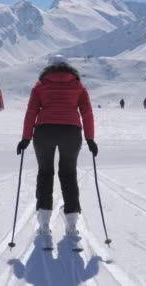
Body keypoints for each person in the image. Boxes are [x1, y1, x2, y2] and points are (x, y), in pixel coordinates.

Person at [17, 62, 98, 249]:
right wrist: (90, 139)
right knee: (68, 174)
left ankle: (44, 223)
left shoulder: (40, 86)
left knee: (45, 173)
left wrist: (26, 138)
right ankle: (71, 223)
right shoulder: (78, 86)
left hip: (44, 131)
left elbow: (31, 112)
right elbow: (87, 113)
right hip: (71, 132)